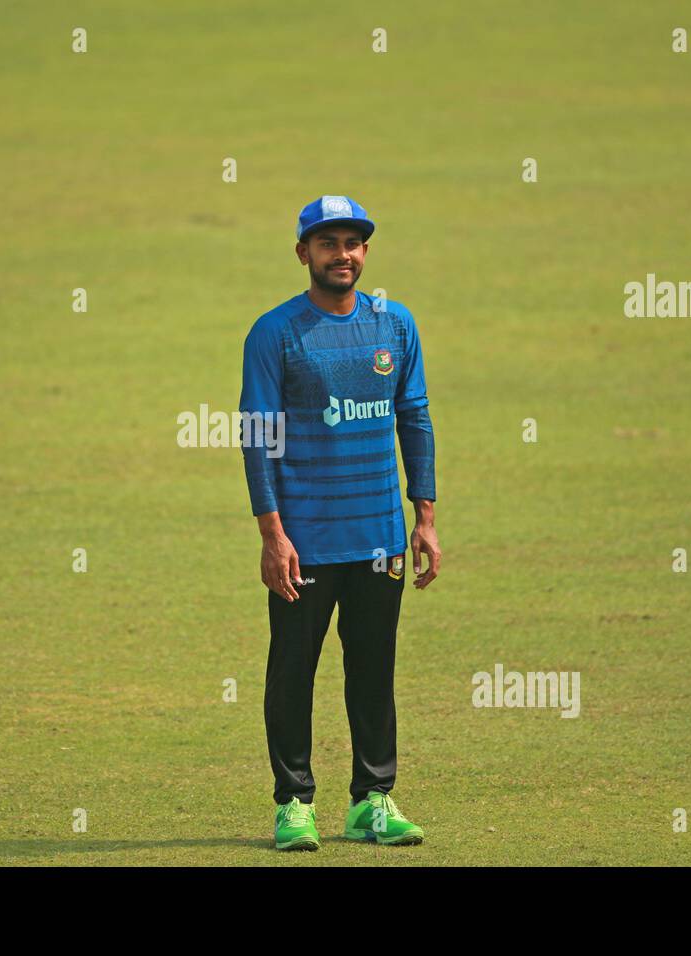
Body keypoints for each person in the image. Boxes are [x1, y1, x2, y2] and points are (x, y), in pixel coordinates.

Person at [239, 195, 442, 851]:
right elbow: (258, 437)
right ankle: (294, 804)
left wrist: (425, 519)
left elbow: (415, 419)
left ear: (365, 252)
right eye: (328, 244)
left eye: (353, 243)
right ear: (304, 253)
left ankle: (372, 801)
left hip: (379, 534)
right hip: (306, 540)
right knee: (293, 668)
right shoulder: (275, 333)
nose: (342, 255)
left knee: (374, 668)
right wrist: (273, 535)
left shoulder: (394, 325)